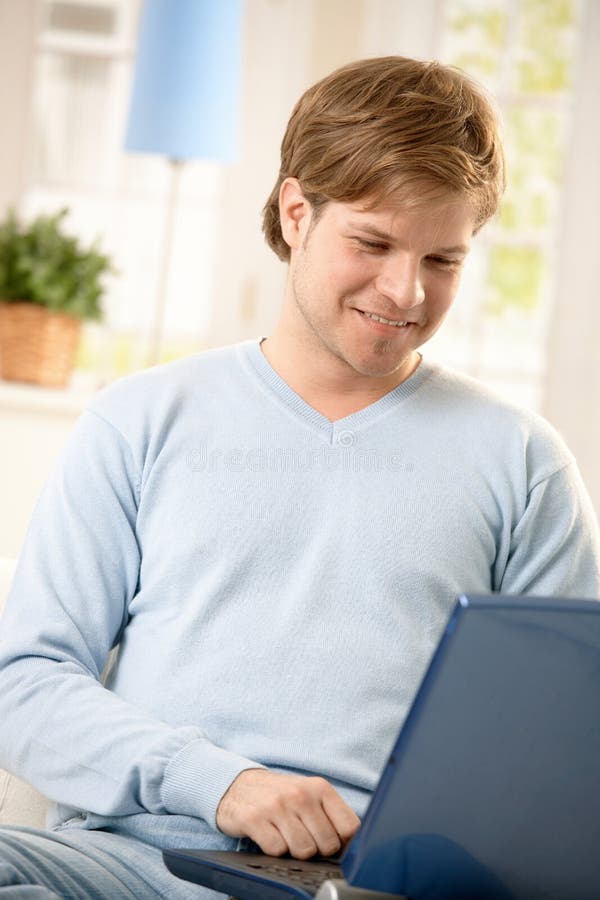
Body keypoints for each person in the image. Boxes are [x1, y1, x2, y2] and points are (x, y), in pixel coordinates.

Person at [1, 55, 599, 900]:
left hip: (364, 886)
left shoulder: (524, 464)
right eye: (374, 242)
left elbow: (560, 747)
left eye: (444, 260)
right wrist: (218, 781)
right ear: (296, 212)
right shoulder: (139, 420)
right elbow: (23, 682)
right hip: (131, 864)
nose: (405, 290)